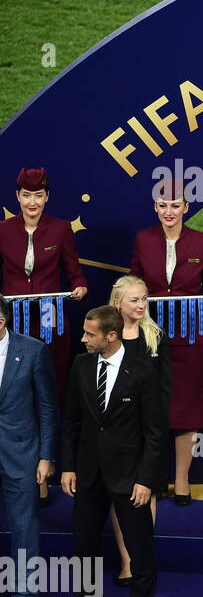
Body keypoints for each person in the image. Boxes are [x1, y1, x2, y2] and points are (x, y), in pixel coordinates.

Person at [61, 305, 167, 597]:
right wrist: (69, 466)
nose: (83, 338)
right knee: (84, 547)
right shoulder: (80, 365)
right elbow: (72, 422)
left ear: (111, 335)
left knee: (140, 550)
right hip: (88, 475)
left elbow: (155, 432)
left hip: (130, 478)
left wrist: (146, 479)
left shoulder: (143, 372)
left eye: (90, 334)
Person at [129, 179, 203, 505]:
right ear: (156, 208)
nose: (169, 211)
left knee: (187, 409)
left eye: (175, 205)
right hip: (151, 334)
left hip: (192, 337)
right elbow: (134, 280)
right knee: (152, 408)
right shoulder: (143, 239)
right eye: (163, 205)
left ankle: (182, 479)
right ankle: (153, 476)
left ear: (186, 207)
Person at [1, 167, 89, 503]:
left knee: (51, 396)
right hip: (14, 321)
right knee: (19, 397)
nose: (32, 201)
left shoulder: (61, 229)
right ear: (18, 197)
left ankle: (49, 468)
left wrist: (79, 287)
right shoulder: (3, 230)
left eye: (38, 195)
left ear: (47, 197)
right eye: (27, 195)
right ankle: (26, 475)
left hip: (52, 321)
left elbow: (75, 273)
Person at [107, 275, 171, 586]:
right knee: (120, 496)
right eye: (135, 299)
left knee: (147, 493)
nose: (141, 305)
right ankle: (127, 560)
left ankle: (143, 556)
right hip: (115, 433)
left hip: (147, 434)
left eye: (144, 298)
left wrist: (155, 422)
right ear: (118, 302)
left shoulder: (154, 336)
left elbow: (165, 386)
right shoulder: (106, 335)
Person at [0, 293, 57, 597]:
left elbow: (48, 406)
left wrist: (46, 456)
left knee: (24, 530)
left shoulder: (33, 350)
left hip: (21, 454)